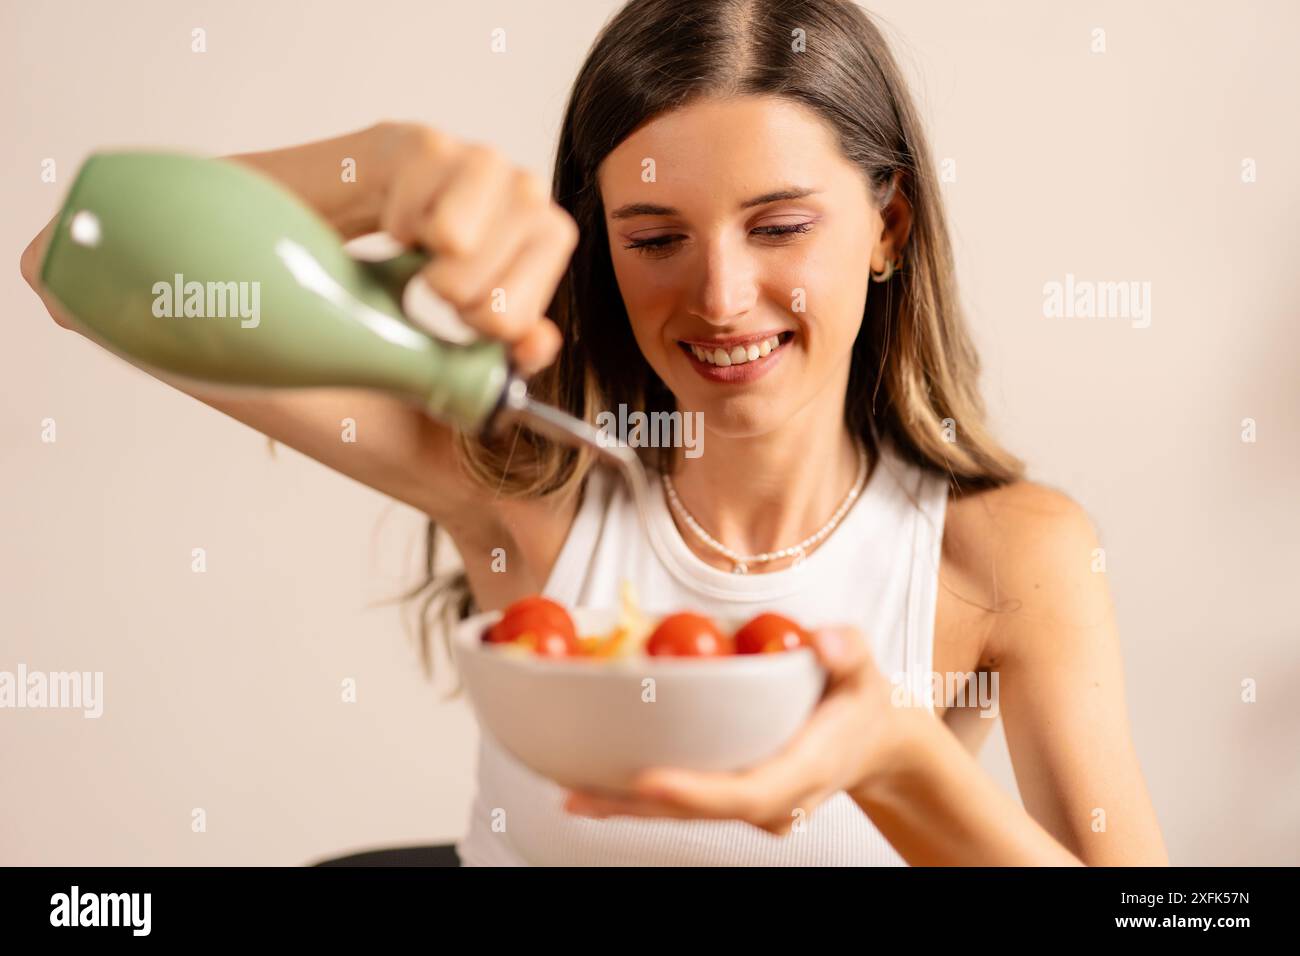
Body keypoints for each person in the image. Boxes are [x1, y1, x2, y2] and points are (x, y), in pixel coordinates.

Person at [21, 0, 1168, 866]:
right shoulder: (529, 481)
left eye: (777, 226)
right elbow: (76, 259)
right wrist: (380, 169)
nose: (719, 296)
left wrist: (900, 758)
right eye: (654, 236)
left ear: (887, 225)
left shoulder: (1009, 556)